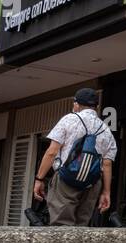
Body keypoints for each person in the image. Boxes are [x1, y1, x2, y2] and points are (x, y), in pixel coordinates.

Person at [33, 88, 117, 226]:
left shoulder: (69, 120)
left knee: (61, 225)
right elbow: (107, 164)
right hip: (92, 183)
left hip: (66, 179)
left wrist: (39, 179)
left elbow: (52, 152)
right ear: (96, 106)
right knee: (81, 225)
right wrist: (106, 192)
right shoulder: (106, 130)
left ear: (76, 104)